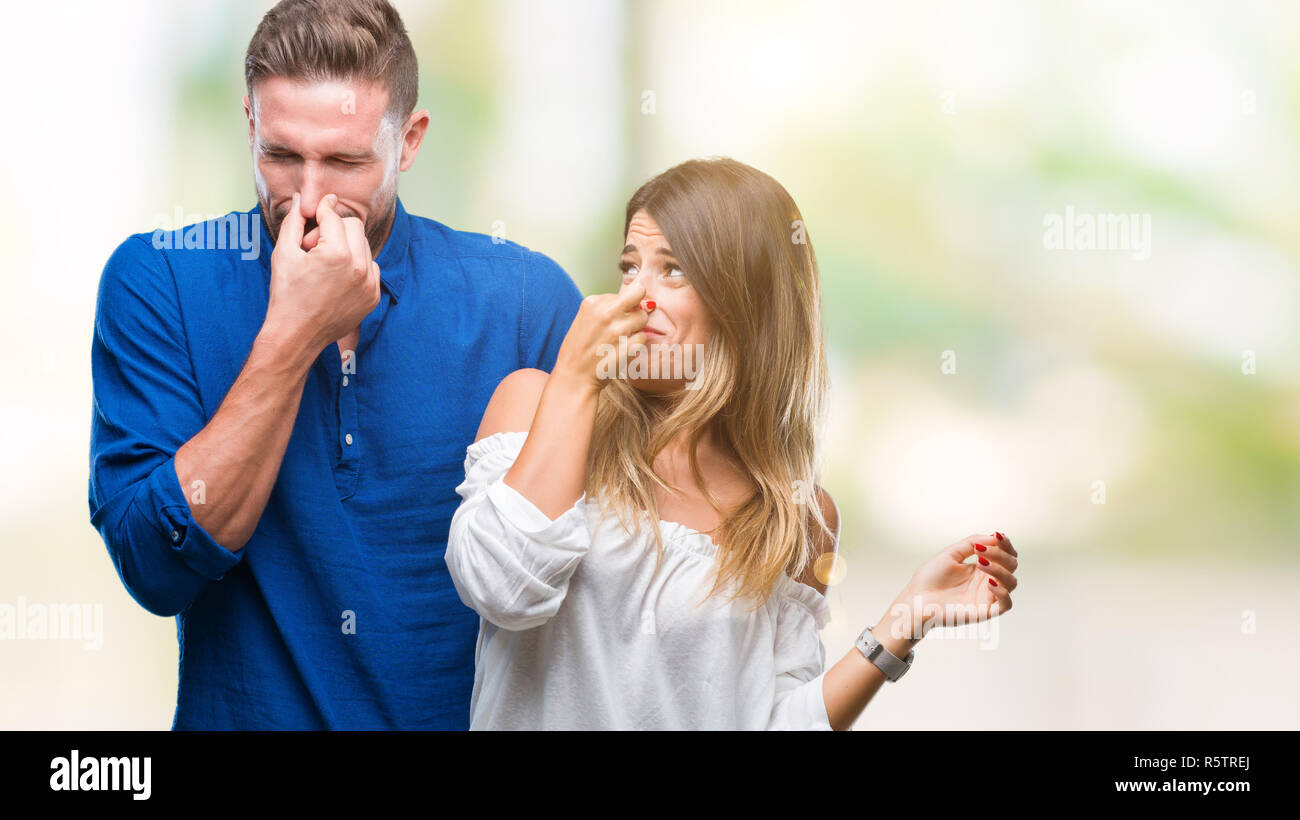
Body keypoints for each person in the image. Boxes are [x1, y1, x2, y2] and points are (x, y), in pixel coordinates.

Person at [87, 0, 582, 729]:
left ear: (409, 141)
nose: (307, 198)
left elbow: (612, 582)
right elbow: (155, 569)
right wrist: (291, 333)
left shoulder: (523, 301)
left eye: (345, 161)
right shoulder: (157, 281)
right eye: (281, 155)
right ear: (251, 126)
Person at [445, 157, 1020, 730]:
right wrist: (575, 377)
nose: (635, 297)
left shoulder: (796, 515)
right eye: (630, 266)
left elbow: (773, 723)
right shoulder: (535, 404)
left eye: (672, 271)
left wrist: (904, 620)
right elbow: (503, 593)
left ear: (745, 305)